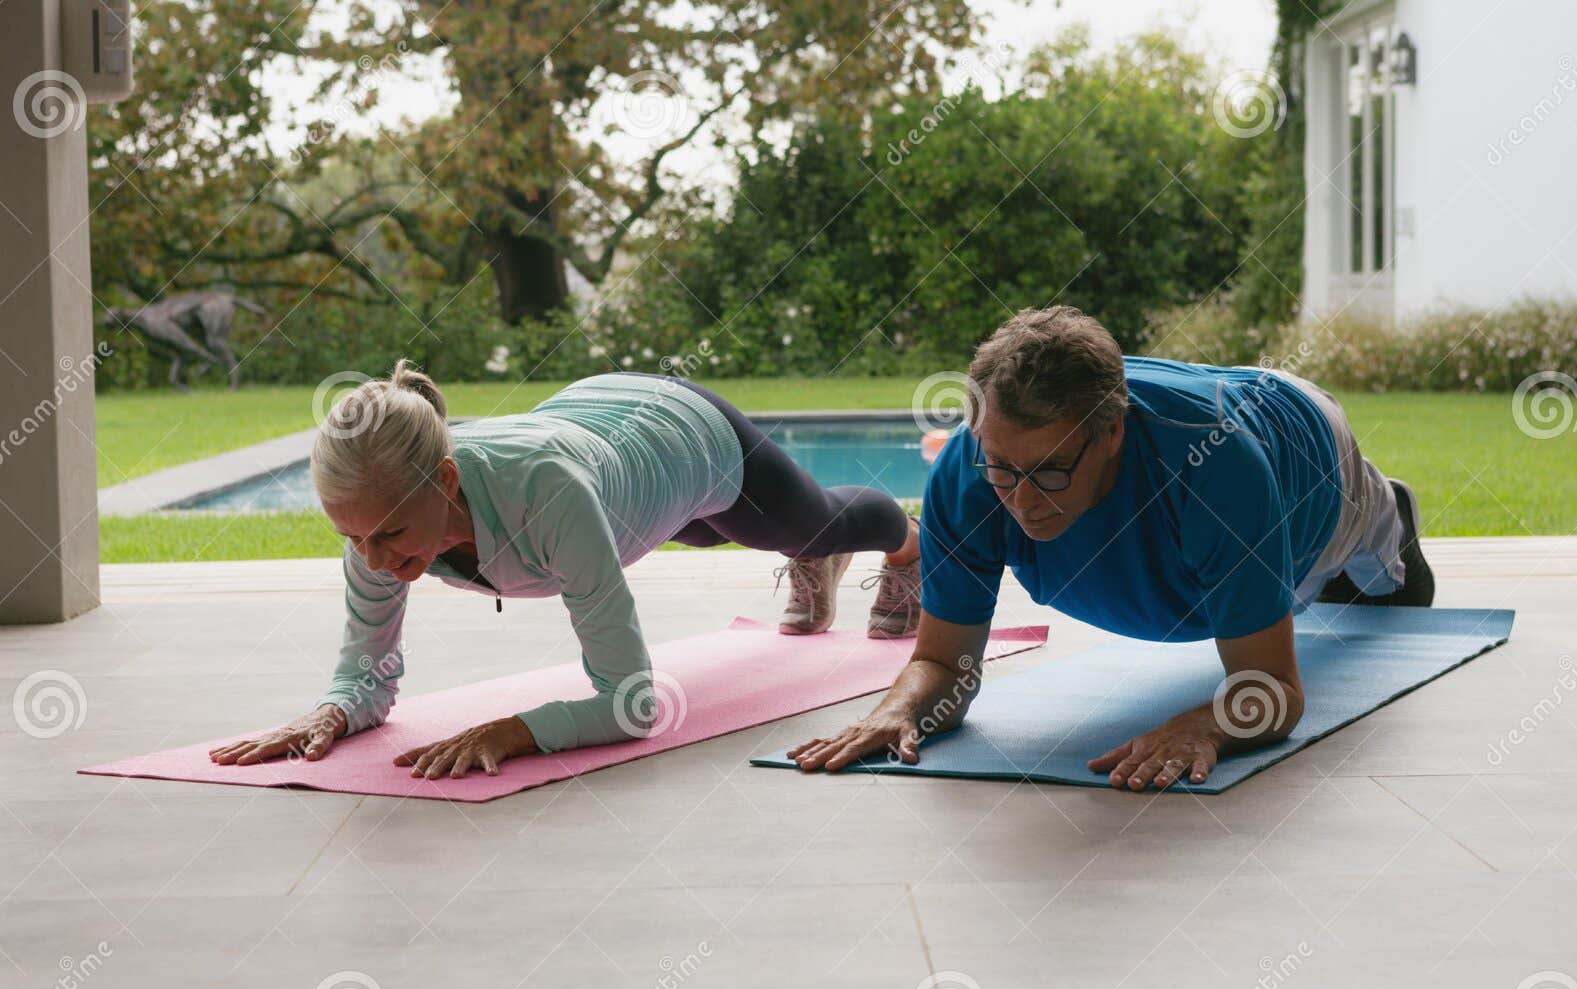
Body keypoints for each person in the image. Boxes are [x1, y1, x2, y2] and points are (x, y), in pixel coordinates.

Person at [787, 305, 1434, 792]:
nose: (1021, 498)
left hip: (1306, 453)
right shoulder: (967, 468)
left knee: (1375, 589)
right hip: (1202, 439)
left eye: (1049, 469)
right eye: (1002, 466)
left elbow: (1272, 689)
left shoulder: (1220, 470)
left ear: (1113, 433)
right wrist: (896, 709)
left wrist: (1206, 723)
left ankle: (1392, 512)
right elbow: (944, 664)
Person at [207, 364, 922, 779]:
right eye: (349, 536)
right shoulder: (379, 519)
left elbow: (634, 704)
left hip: (678, 428)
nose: (371, 560)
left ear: (448, 480)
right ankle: (808, 557)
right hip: (609, 455)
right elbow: (367, 673)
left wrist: (509, 732)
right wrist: (333, 708)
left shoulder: (547, 496)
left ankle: (903, 542)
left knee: (807, 522)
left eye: (388, 535)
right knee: (702, 533)